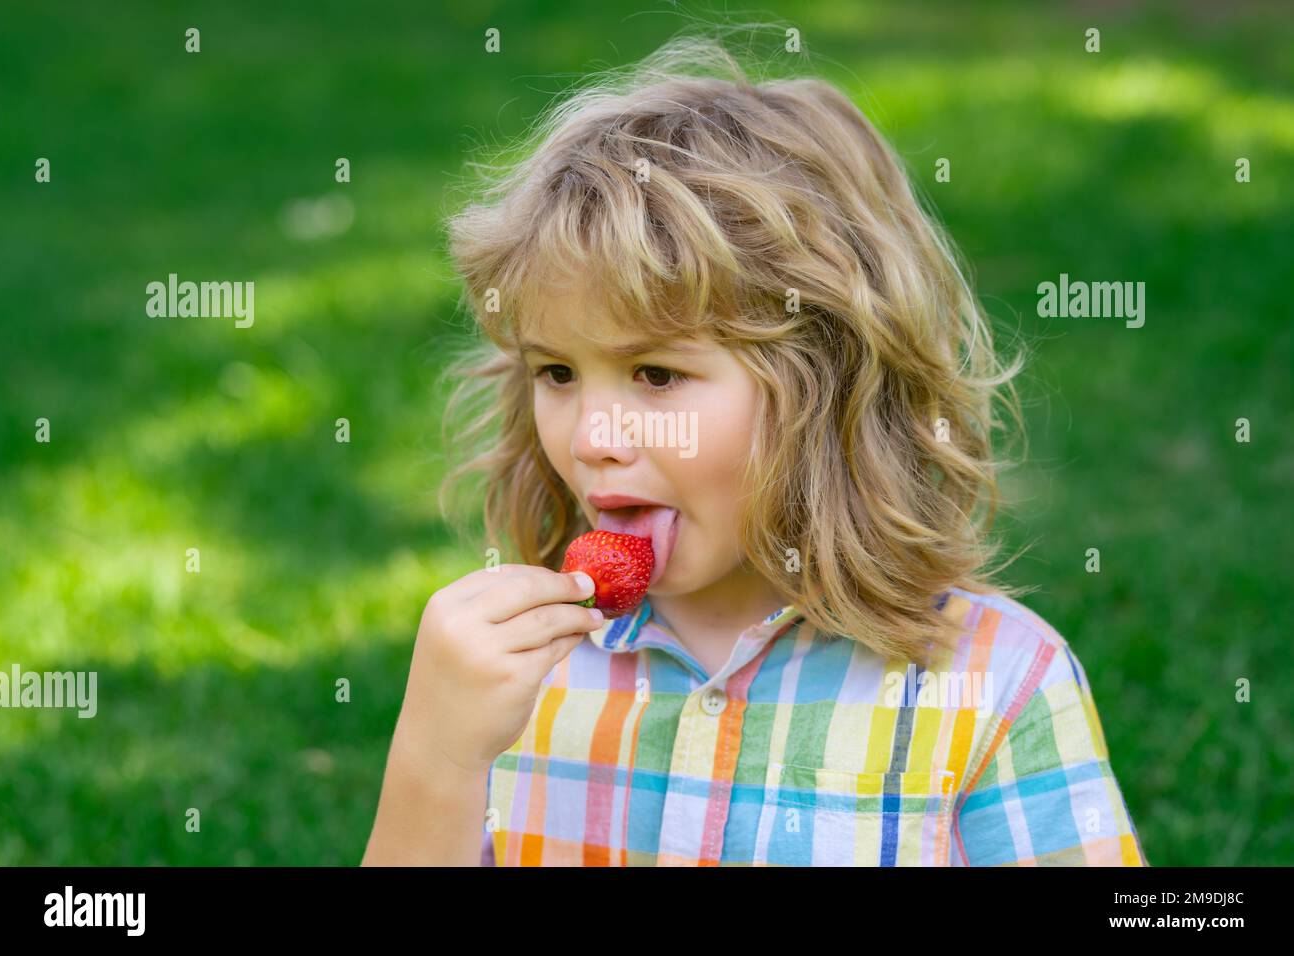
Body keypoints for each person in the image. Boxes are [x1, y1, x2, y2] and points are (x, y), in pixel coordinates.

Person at [362, 35, 1147, 867]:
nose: (593, 438)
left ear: (828, 388)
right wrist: (437, 759)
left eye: (657, 375)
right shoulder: (516, 683)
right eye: (556, 371)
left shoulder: (996, 686)